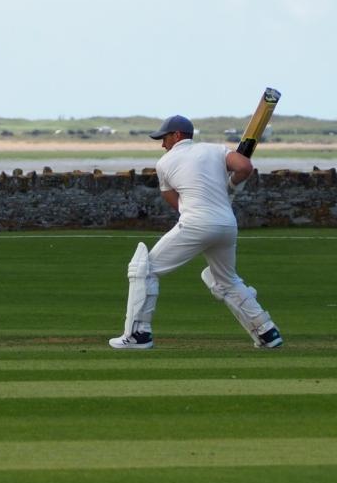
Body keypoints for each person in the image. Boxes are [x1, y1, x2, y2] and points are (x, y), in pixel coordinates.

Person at [109, 114, 282, 350]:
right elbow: (244, 167)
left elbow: (175, 203)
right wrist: (229, 187)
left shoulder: (165, 163)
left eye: (164, 138)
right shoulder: (216, 149)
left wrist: (200, 209)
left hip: (196, 222)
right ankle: (267, 332)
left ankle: (139, 334)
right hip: (227, 224)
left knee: (145, 269)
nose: (162, 144)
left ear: (177, 135)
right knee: (226, 280)